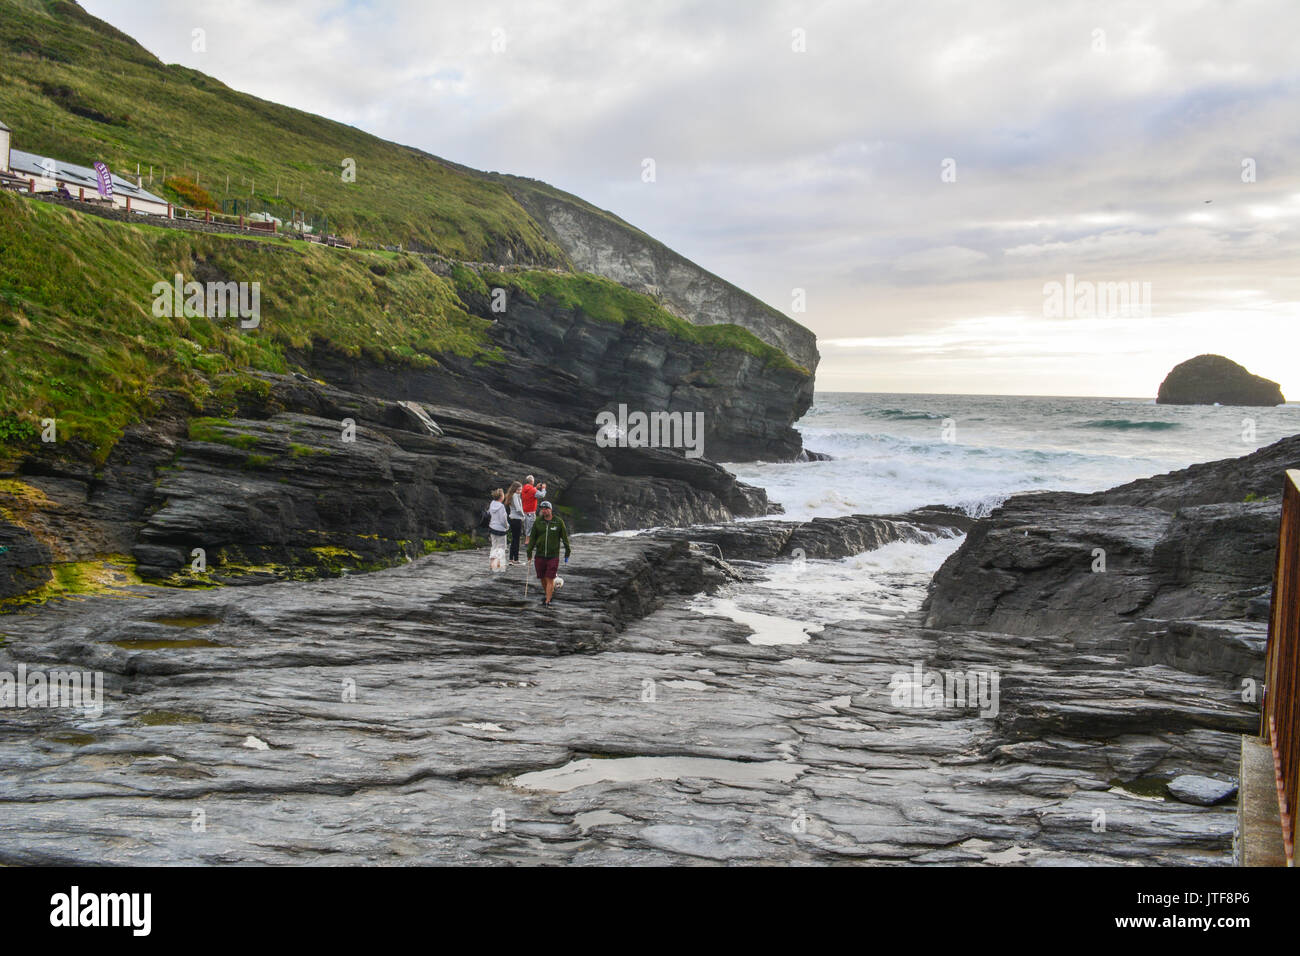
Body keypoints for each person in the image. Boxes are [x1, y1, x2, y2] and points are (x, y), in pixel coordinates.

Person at [525, 500, 570, 607]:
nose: (544, 511)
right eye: (542, 509)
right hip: (539, 555)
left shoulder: (558, 522)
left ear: (550, 509)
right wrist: (529, 551)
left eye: (546, 508)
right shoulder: (538, 522)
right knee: (542, 578)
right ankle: (548, 593)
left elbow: (564, 538)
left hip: (553, 556)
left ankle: (548, 601)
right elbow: (533, 538)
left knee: (550, 578)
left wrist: (567, 551)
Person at [487, 488, 509, 572]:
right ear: (501, 496)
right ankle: (498, 565)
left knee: (494, 546)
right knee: (501, 547)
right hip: (500, 529)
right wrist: (507, 526)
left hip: (492, 527)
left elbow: (489, 513)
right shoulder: (501, 506)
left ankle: (492, 563)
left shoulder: (492, 504)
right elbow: (503, 519)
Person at [505, 481, 525, 565]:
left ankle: (511, 559)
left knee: (514, 540)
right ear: (515, 489)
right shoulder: (515, 496)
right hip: (517, 520)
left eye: (521, 489)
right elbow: (518, 508)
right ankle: (516, 560)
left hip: (512, 519)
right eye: (518, 489)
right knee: (516, 540)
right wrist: (523, 516)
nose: (520, 491)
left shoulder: (511, 496)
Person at [520, 475, 539, 546]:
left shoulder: (523, 488)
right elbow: (541, 495)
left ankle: (527, 541)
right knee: (531, 527)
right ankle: (528, 542)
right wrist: (543, 489)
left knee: (526, 527)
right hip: (531, 512)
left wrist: (535, 488)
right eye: (533, 480)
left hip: (524, 511)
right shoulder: (533, 490)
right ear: (531, 481)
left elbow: (530, 492)